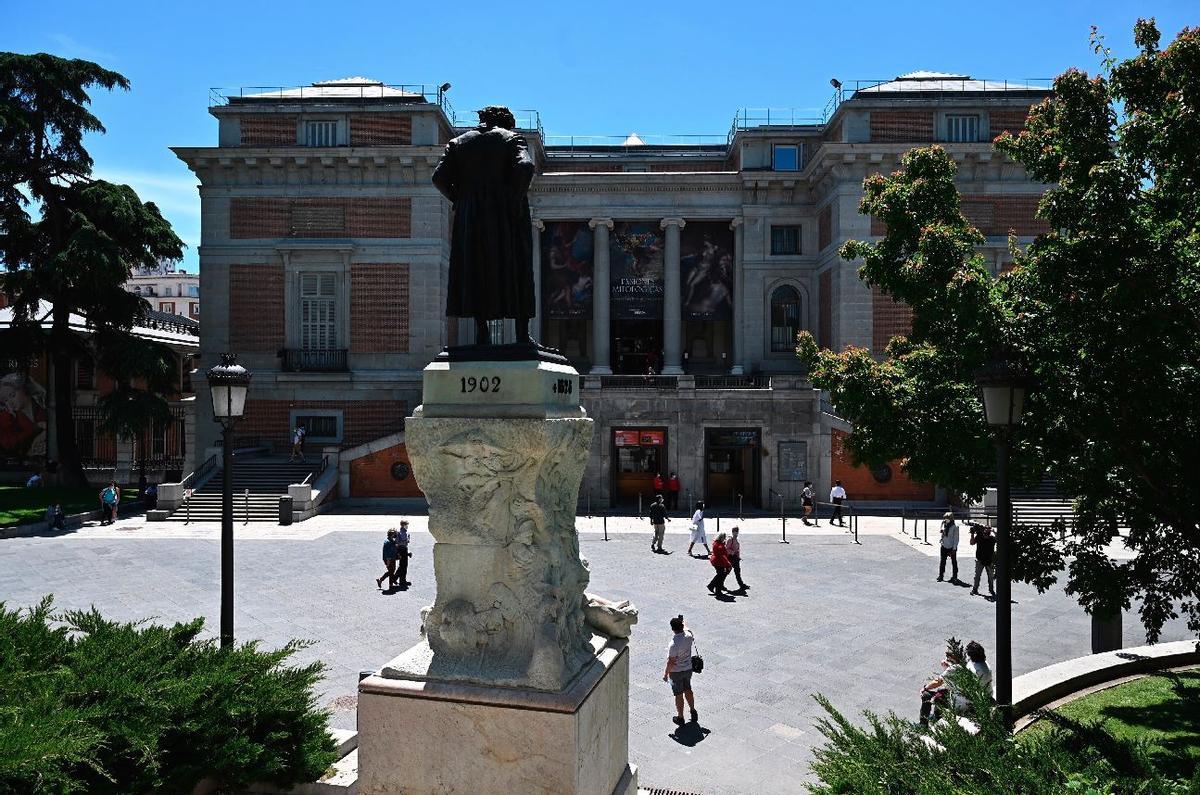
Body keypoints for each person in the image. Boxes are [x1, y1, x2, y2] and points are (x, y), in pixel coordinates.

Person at [432, 105, 536, 346]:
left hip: (470, 216)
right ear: (505, 122)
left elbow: (438, 178)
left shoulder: (458, 143)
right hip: (505, 214)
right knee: (518, 268)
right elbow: (526, 166)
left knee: (475, 269)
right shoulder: (511, 139)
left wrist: (459, 199)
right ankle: (522, 335)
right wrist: (514, 197)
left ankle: (482, 333)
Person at [662, 615, 699, 726]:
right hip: (688, 669)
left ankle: (680, 717)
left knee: (678, 694)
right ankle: (693, 710)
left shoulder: (673, 644)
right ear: (682, 626)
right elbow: (687, 629)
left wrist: (665, 674)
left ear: (672, 629)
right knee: (688, 689)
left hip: (676, 672)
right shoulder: (689, 636)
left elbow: (671, 662)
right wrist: (682, 622)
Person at [969, 523, 996, 597]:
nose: (986, 529)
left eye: (988, 528)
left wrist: (994, 532)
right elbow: (972, 543)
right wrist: (972, 534)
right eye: (985, 528)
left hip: (989, 560)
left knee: (991, 576)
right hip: (980, 559)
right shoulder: (979, 536)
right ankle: (975, 589)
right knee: (977, 575)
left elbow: (999, 539)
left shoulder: (992, 539)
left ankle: (991, 589)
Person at [937, 512, 961, 584]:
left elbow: (956, 539)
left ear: (950, 519)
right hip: (944, 545)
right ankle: (941, 575)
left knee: (954, 562)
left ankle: (955, 577)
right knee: (942, 561)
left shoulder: (955, 527)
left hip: (951, 547)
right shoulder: (945, 525)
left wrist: (954, 549)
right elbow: (943, 532)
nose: (945, 519)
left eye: (946, 518)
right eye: (944, 518)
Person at [727, 526, 748, 591]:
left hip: (735, 558)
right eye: (735, 531)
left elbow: (737, 549)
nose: (736, 533)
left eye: (737, 531)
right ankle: (718, 584)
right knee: (726, 572)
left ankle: (741, 585)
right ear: (732, 532)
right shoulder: (730, 539)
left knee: (737, 572)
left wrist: (738, 557)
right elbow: (727, 549)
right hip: (730, 557)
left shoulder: (735, 539)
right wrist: (733, 552)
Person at [395, 520, 412, 589]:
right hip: (401, 550)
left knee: (403, 566)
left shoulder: (406, 533)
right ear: (402, 525)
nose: (407, 526)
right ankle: (400, 580)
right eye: (406, 525)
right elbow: (397, 543)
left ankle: (399, 579)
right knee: (403, 566)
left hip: (404, 549)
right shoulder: (399, 533)